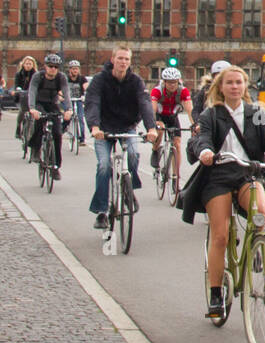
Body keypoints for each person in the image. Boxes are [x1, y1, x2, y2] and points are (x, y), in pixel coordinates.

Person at [177, 64, 265, 320]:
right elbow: (203, 138)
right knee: (220, 236)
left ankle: (256, 247)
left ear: (245, 87)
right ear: (221, 87)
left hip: (248, 173)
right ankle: (216, 294)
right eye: (229, 82)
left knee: (260, 212)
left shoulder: (256, 112)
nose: (234, 86)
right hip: (218, 175)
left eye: (239, 82)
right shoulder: (211, 114)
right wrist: (205, 152)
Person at [84, 47, 160, 231]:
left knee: (133, 155)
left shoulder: (136, 81)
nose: (123, 62)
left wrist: (151, 127)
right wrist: (94, 126)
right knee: (104, 166)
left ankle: (129, 188)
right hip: (103, 128)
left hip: (127, 126)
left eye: (126, 59)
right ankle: (102, 211)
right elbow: (92, 102)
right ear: (113, 59)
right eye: (120, 58)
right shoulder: (100, 80)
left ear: (130, 61)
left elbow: (144, 103)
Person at [27, 54, 73, 173]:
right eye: (50, 66)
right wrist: (32, 108)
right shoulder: (38, 76)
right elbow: (32, 91)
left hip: (53, 104)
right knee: (39, 122)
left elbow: (66, 92)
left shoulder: (61, 77)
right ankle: (36, 149)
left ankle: (56, 165)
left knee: (57, 133)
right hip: (39, 104)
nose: (53, 69)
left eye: (56, 67)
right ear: (45, 66)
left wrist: (69, 109)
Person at [150, 67, 191, 179]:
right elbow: (152, 110)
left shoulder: (183, 91)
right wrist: (153, 125)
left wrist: (194, 125)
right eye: (169, 82)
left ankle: (175, 176)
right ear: (164, 82)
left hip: (172, 117)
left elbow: (189, 109)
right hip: (159, 115)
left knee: (177, 144)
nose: (172, 85)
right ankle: (155, 150)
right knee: (160, 129)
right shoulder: (157, 91)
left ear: (179, 81)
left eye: (175, 82)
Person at [13, 56, 37, 138]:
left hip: (32, 94)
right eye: (26, 64)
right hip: (22, 94)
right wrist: (17, 89)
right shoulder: (19, 74)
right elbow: (16, 84)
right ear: (23, 65)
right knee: (22, 111)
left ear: (33, 65)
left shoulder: (36, 74)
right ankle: (18, 127)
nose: (28, 65)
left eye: (30, 64)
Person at [65, 61, 88, 144]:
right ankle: (64, 128)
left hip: (79, 100)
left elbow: (86, 87)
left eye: (77, 69)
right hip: (68, 100)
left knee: (81, 118)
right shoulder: (66, 79)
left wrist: (85, 94)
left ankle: (82, 139)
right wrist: (62, 96)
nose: (75, 71)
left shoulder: (82, 78)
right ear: (70, 70)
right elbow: (61, 89)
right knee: (67, 116)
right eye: (73, 69)